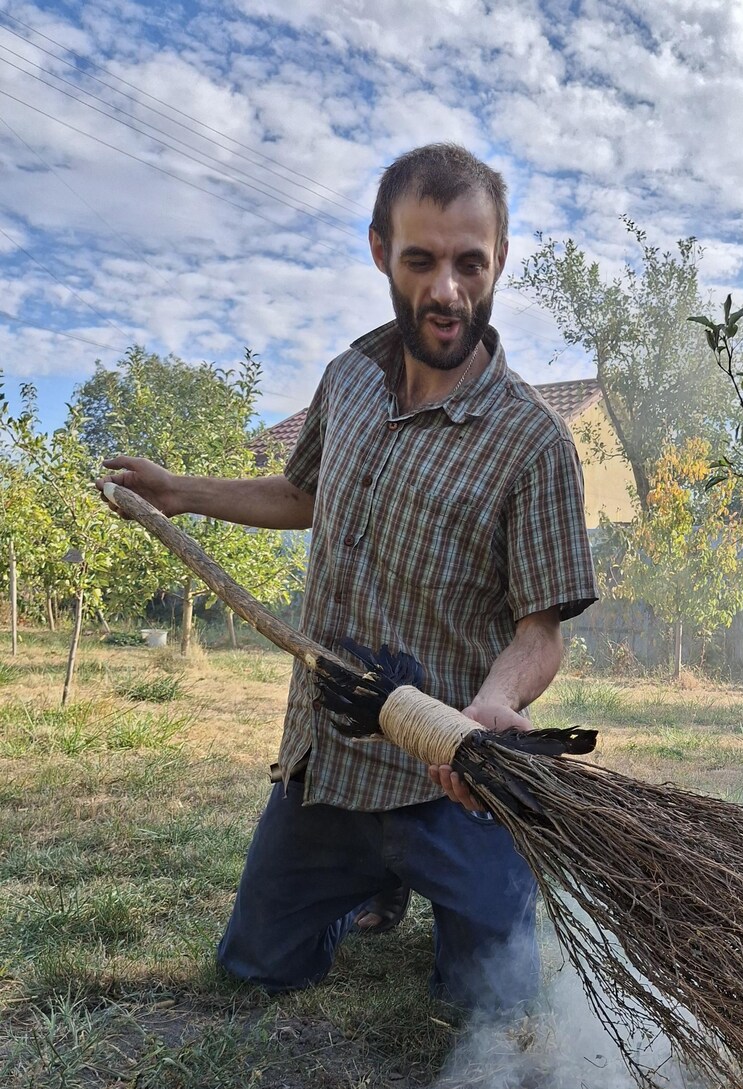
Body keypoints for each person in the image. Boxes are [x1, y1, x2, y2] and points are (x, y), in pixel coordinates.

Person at [99, 143, 597, 1012]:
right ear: (379, 252)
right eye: (421, 259)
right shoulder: (351, 382)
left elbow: (540, 631)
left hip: (448, 783)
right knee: (254, 974)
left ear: (500, 261)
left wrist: (492, 705)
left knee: (496, 1010)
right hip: (328, 766)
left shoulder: (534, 443)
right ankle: (365, 884)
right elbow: (303, 493)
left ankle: (434, 882)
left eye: (470, 262)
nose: (448, 290)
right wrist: (183, 492)